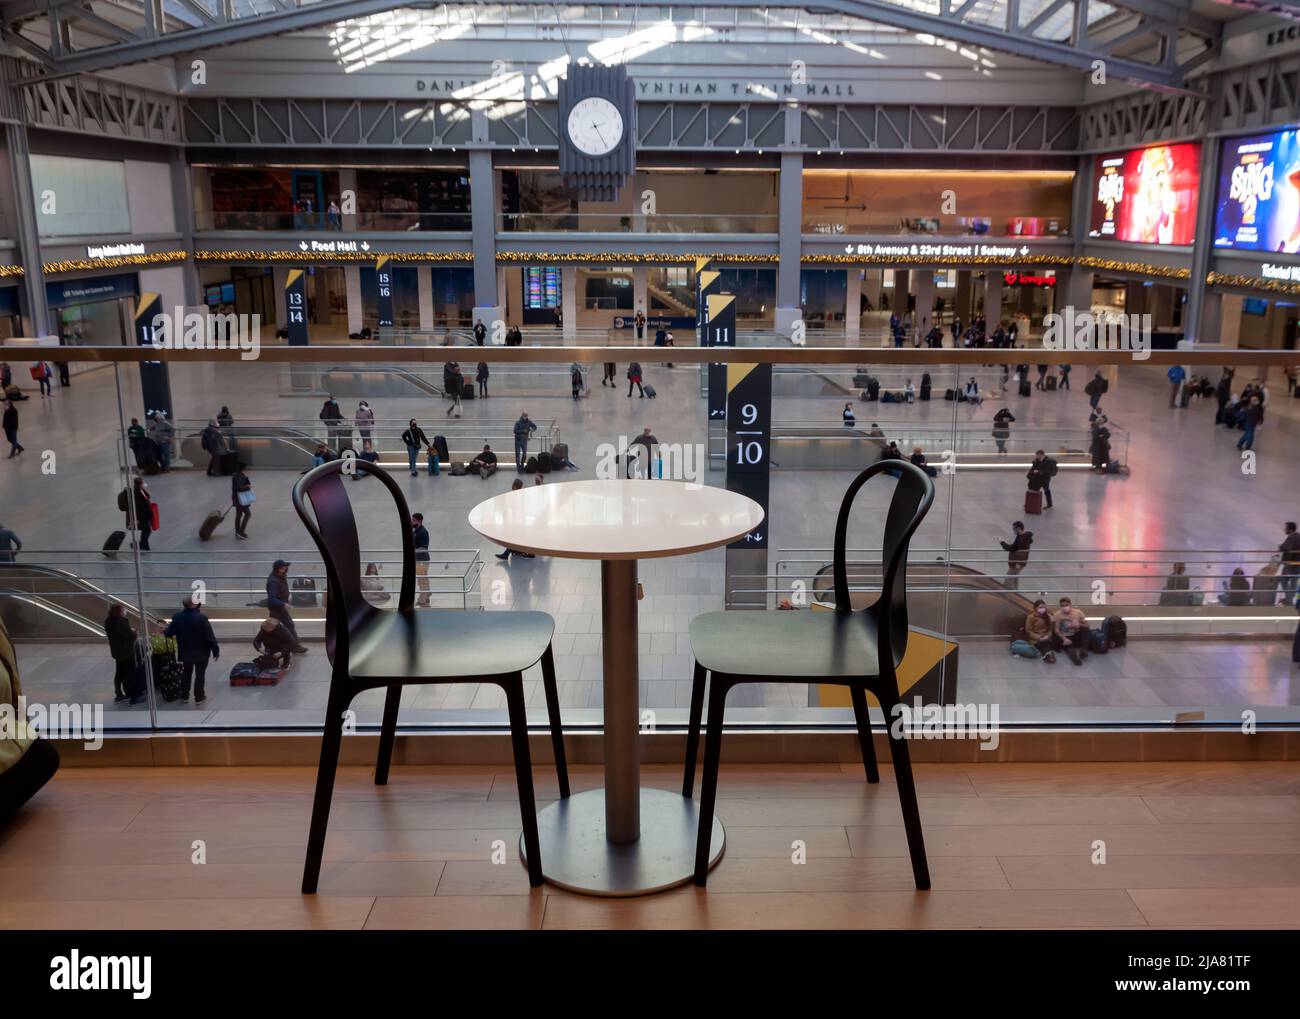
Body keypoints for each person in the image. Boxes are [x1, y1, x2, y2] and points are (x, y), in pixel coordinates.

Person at [163, 597, 220, 704]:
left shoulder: (177, 617)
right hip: (202, 652)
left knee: (186, 673)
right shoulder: (202, 618)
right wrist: (215, 650)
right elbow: (209, 636)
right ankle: (199, 697)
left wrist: (164, 629)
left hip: (185, 652)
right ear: (194, 604)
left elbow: (168, 633)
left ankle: (184, 696)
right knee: (200, 674)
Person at [266, 560, 308, 652]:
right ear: (279, 569)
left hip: (279, 607)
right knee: (288, 625)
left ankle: (274, 646)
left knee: (274, 626)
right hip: (278, 609)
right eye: (284, 567)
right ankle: (295, 647)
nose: (286, 568)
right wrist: (283, 604)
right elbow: (272, 598)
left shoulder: (280, 576)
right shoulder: (273, 581)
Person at [104, 603, 139, 703]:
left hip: (117, 652)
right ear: (119, 611)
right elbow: (130, 636)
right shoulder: (121, 622)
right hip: (126, 652)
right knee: (130, 673)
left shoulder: (108, 621)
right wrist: (134, 632)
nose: (124, 611)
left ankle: (118, 693)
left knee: (119, 672)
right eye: (122, 610)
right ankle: (132, 695)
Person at [1051, 597, 1088, 666]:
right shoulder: (1057, 614)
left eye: (1066, 605)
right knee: (1069, 646)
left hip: (1076, 634)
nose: (1065, 607)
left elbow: (1087, 625)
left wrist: (1079, 624)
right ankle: (1074, 657)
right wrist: (1064, 639)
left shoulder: (1078, 612)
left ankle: (1083, 650)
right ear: (1060, 606)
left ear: (1070, 605)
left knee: (1085, 629)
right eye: (1062, 605)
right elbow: (1056, 630)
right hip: (1065, 636)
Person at [123, 476, 153, 551]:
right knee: (147, 530)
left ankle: (144, 546)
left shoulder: (141, 490)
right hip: (141, 516)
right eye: (143, 483)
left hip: (144, 515)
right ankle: (139, 545)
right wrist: (137, 518)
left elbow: (147, 498)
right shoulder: (136, 493)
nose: (144, 484)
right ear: (140, 484)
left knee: (146, 530)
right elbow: (138, 507)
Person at [1000, 520, 1033, 589]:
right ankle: (1016, 592)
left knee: (1008, 580)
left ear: (1018, 528)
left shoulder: (1021, 539)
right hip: (1020, 563)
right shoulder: (1024, 536)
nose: (1013, 530)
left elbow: (1012, 548)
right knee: (1015, 577)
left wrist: (1002, 543)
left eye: (1014, 529)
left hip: (1016, 563)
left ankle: (1007, 593)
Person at [412, 513, 431, 606]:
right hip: (418, 560)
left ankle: (422, 600)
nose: (412, 522)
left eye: (413, 520)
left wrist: (413, 551)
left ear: (419, 521)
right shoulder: (415, 531)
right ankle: (426, 595)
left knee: (422, 580)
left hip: (422, 560)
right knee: (423, 579)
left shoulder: (423, 532)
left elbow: (424, 548)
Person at [1279, 522, 1300, 602]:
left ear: (1290, 529)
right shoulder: (1298, 536)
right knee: (1293, 583)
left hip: (1290, 564)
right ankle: (1289, 599)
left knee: (1283, 580)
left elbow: (1285, 547)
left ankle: (1289, 599)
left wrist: (1280, 546)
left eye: (1286, 528)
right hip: (1298, 564)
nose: (1284, 529)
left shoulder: (1291, 537)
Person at [231, 462, 253, 539]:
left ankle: (237, 532)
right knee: (248, 514)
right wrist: (248, 487)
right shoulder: (241, 476)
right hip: (241, 500)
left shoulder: (236, 475)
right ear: (244, 468)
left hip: (236, 499)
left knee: (238, 515)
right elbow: (239, 487)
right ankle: (241, 532)